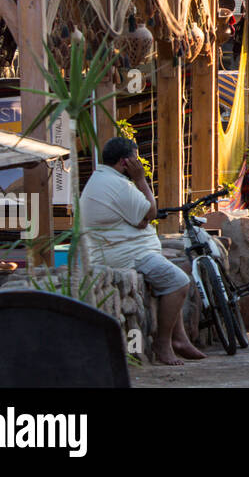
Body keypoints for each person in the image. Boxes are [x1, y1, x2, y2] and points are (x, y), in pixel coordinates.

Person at [79, 137, 206, 366]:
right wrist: (141, 179)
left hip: (129, 250)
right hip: (124, 255)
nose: (139, 164)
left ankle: (180, 338)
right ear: (125, 162)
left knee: (171, 274)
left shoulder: (107, 179)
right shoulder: (115, 183)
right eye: (136, 160)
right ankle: (163, 343)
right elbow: (150, 212)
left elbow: (140, 219)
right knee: (178, 281)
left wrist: (142, 217)